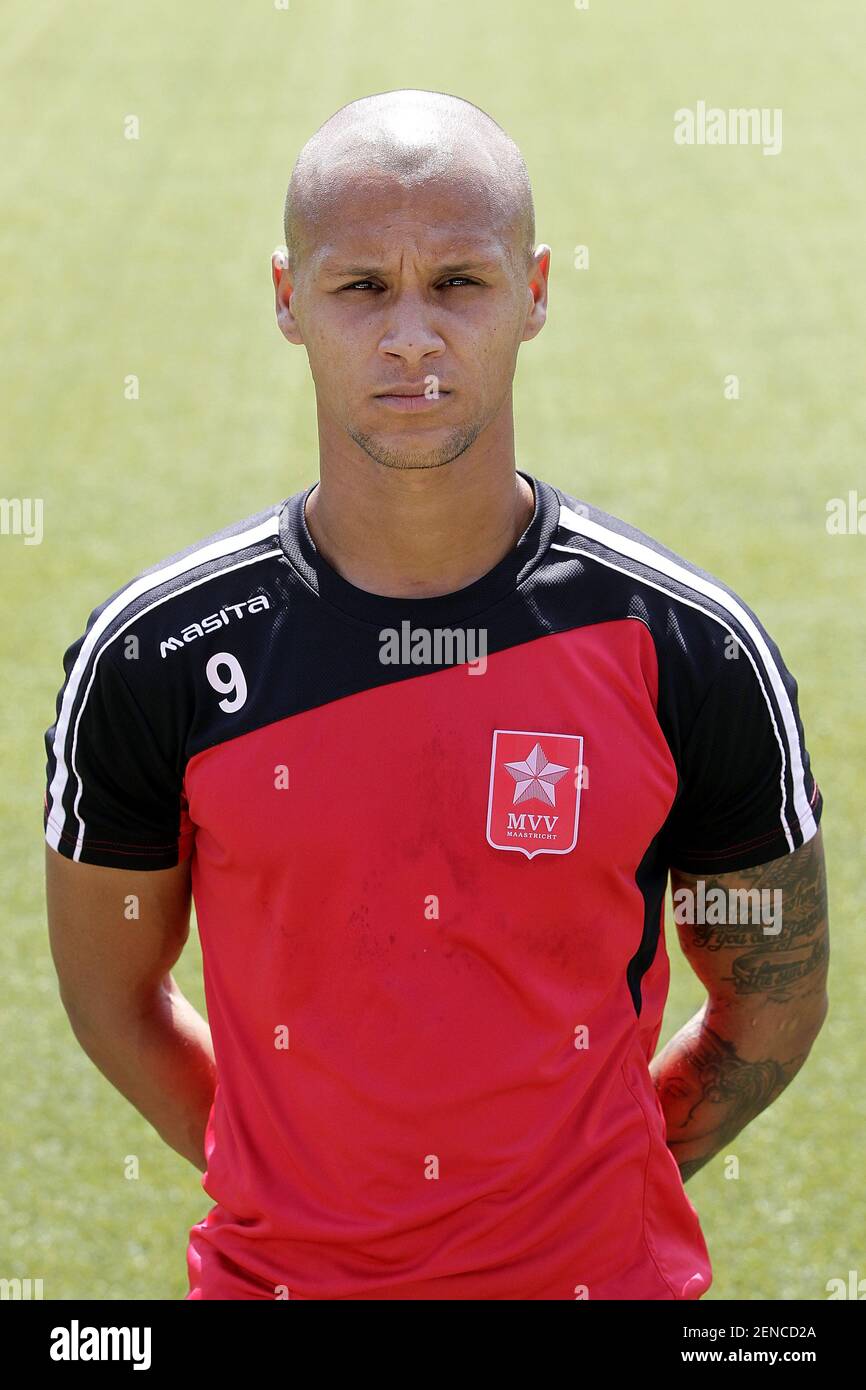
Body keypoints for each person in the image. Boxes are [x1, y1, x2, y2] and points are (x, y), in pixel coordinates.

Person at [43, 89, 829, 1301]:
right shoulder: (151, 654)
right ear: (286, 299)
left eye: (458, 281)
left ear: (535, 289)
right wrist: (284, 1186)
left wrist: (589, 1187)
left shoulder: (687, 648)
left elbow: (769, 1004)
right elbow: (113, 998)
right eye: (361, 286)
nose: (411, 335)